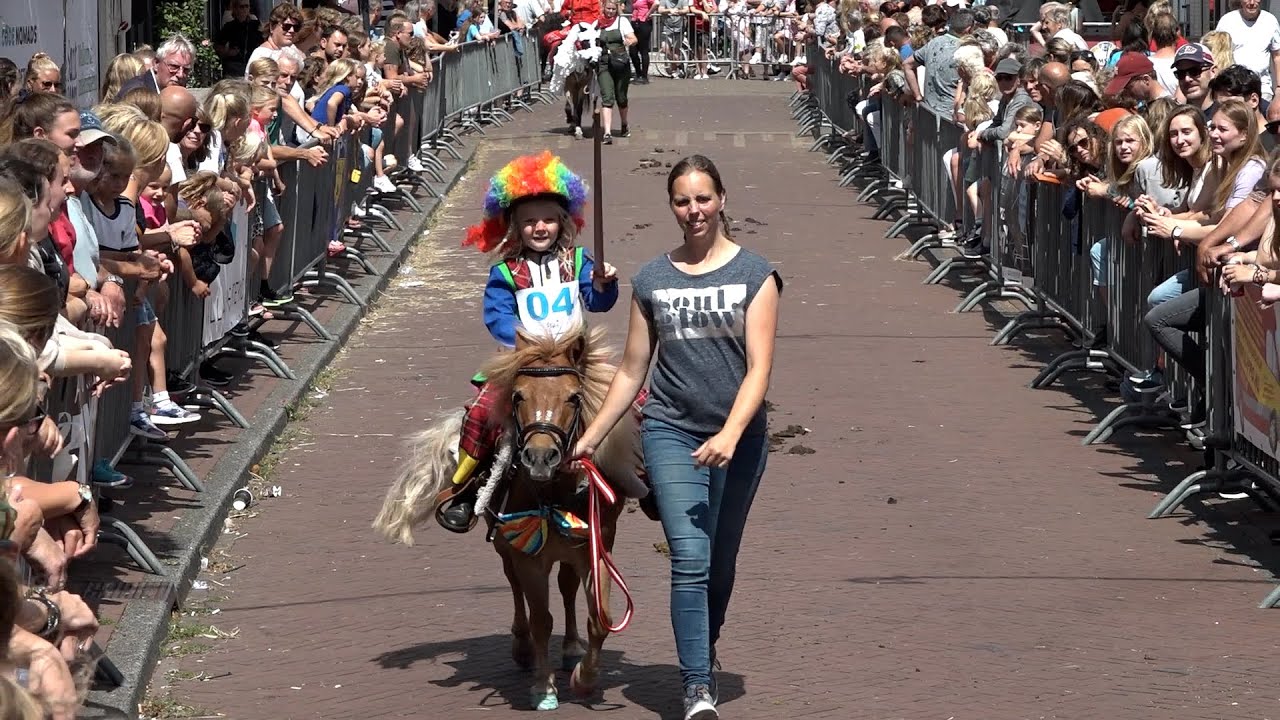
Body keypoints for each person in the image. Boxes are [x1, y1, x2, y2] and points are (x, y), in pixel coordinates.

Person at [572, 154, 782, 720]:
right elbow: (632, 368)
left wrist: (732, 433)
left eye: (703, 198)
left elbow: (759, 369)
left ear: (722, 200)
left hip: (739, 439)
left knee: (720, 560)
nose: (694, 210)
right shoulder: (652, 280)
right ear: (672, 206)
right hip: (671, 429)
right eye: (683, 201)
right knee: (689, 556)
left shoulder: (756, 275)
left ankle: (703, 651)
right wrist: (592, 435)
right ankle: (696, 687)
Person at [437, 151, 620, 532]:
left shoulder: (579, 261)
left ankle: (642, 478)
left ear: (563, 222)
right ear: (515, 227)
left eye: (548, 220)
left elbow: (597, 302)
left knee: (634, 403)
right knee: (481, 414)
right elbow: (498, 317)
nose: (540, 228)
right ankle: (466, 490)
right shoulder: (505, 272)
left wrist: (605, 284)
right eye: (529, 221)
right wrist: (527, 345)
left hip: (576, 362)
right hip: (525, 364)